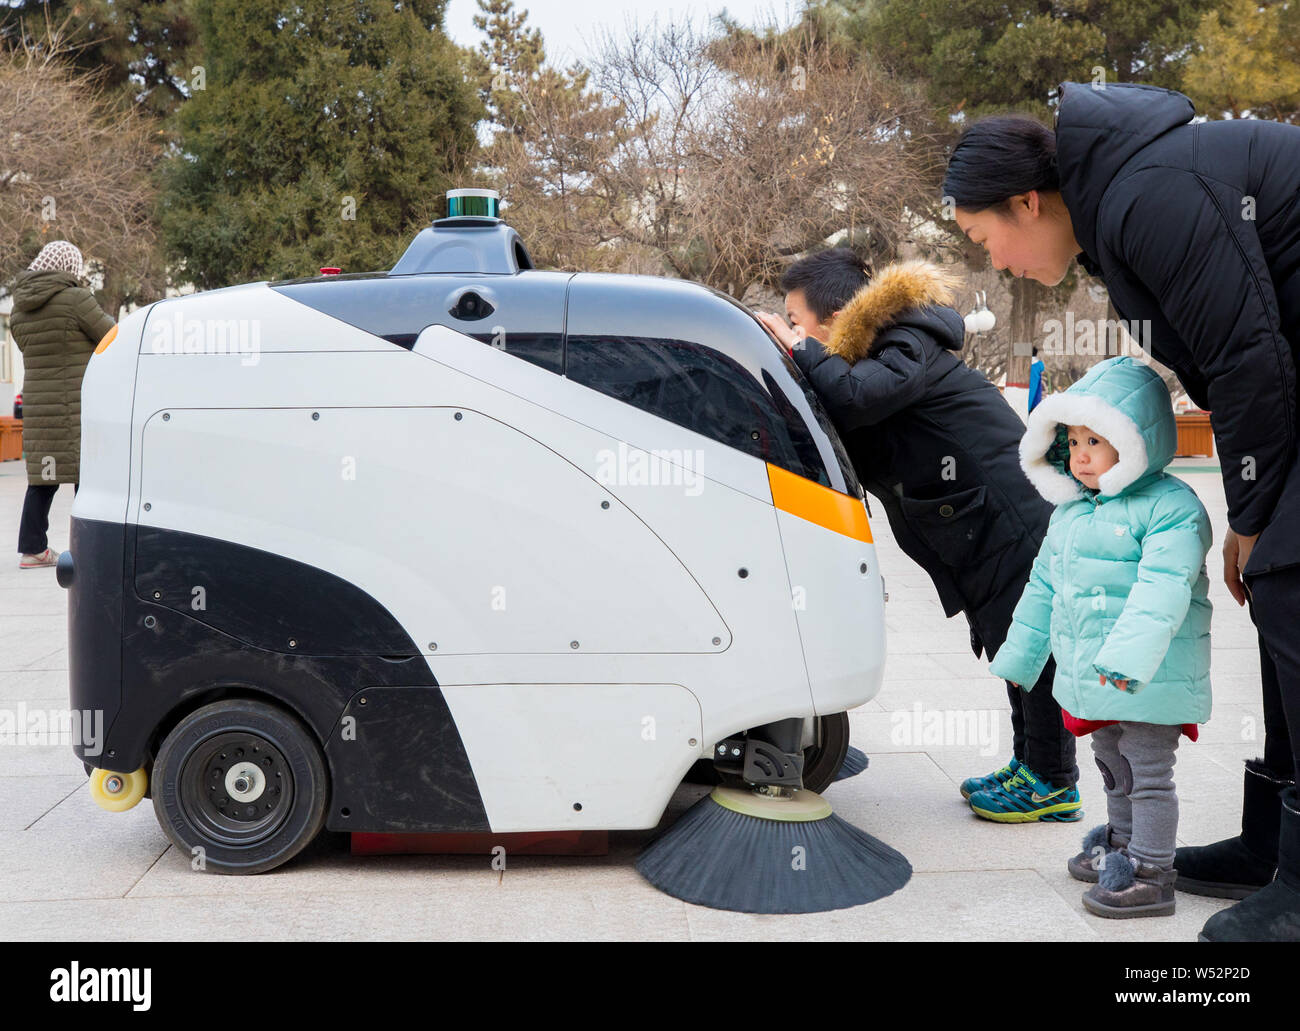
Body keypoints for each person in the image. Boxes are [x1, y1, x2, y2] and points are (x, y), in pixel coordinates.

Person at [943, 81, 1300, 941]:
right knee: (1284, 600)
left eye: (986, 238)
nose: (995, 261)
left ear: (1028, 202)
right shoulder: (1125, 204)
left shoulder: (1148, 193)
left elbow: (1248, 359)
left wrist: (1248, 515)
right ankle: (1271, 849)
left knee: (1288, 582)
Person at [756, 248, 1081, 821]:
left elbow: (858, 396)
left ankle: (1054, 782)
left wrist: (799, 349)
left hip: (1010, 515)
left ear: (833, 317)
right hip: (980, 519)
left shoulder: (905, 340)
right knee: (1009, 642)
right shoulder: (877, 350)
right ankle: (1030, 763)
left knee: (1030, 646)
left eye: (796, 316)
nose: (791, 327)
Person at [990, 357, 1212, 918]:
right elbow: (1044, 586)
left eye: (1097, 440)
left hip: (1149, 675)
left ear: (1137, 441)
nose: (1081, 454)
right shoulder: (1071, 513)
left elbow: (1165, 587)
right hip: (1093, 673)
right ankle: (1120, 843)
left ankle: (1153, 868)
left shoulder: (1171, 507)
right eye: (1073, 441)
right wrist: (1021, 654)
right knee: (1111, 761)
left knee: (1147, 771)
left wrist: (1129, 659)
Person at [8, 241, 115, 568]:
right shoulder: (77, 300)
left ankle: (32, 549)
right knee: (89, 476)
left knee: (43, 478)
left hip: (40, 408)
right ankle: (90, 549)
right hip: (79, 406)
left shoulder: (19, 309)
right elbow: (111, 335)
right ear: (70, 268)